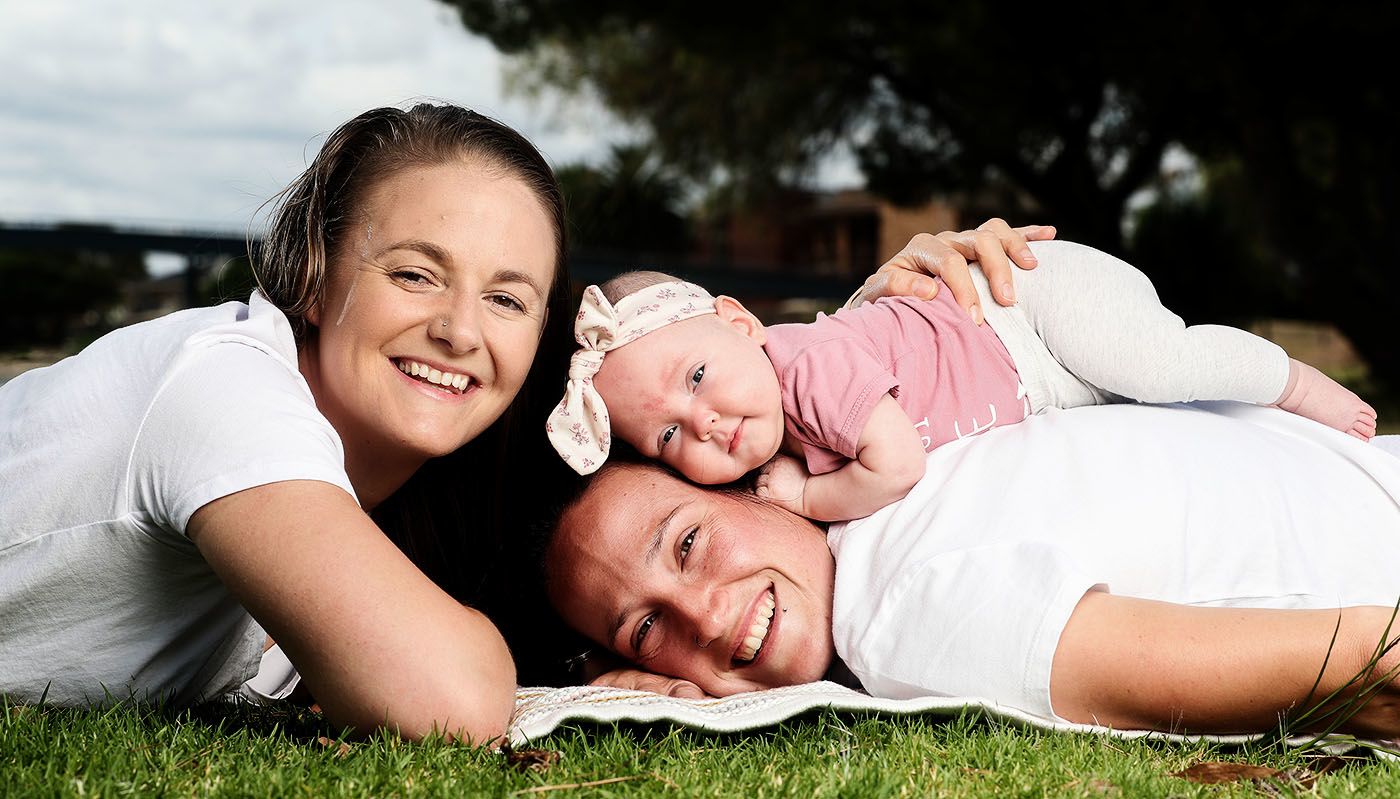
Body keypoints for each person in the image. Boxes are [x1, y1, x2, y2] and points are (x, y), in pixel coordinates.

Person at [0, 100, 1050, 741]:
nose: (462, 329)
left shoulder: (395, 499)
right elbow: (445, 698)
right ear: (313, 276)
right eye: (415, 273)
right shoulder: (223, 391)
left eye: (507, 297)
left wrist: (883, 332)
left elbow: (692, 398)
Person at [544, 402, 1400, 736]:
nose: (700, 614)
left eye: (688, 542)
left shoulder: (903, 614)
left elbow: (1374, 665)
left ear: (747, 482)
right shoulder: (905, 472)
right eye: (647, 627)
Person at [547, 242, 1376, 521]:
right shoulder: (782, 396)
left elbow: (897, 462)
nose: (706, 422)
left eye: (697, 376)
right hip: (1040, 374)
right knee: (1148, 410)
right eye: (667, 436)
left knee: (1163, 364)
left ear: (739, 323)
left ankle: (1293, 381)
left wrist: (805, 500)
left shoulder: (804, 367)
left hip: (1032, 307)